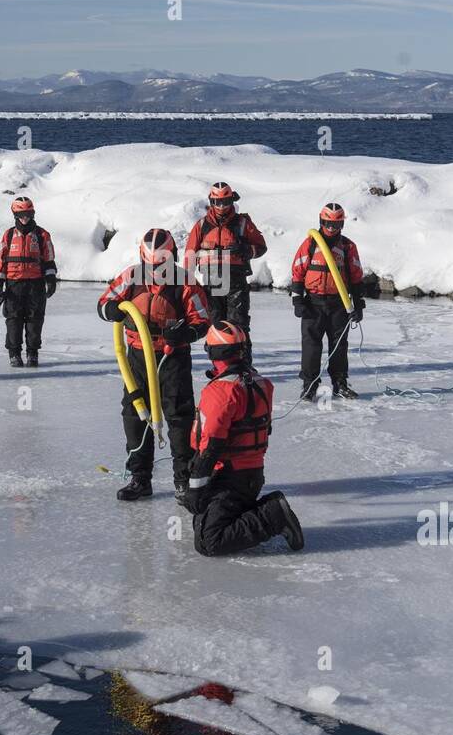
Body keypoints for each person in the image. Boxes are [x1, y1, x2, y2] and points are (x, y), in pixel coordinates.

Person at [98, 228, 210, 503]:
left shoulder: (184, 282)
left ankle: (183, 481)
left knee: (179, 419)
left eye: (160, 265)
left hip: (173, 359)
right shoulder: (130, 277)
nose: (155, 271)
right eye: (150, 265)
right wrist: (112, 310)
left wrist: (186, 333)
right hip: (137, 358)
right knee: (135, 416)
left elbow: (203, 320)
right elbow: (104, 302)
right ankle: (140, 479)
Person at [186, 322, 303, 555]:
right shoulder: (260, 383)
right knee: (200, 523)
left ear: (214, 352)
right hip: (251, 475)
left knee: (209, 542)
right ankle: (261, 510)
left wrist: (196, 487)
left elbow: (211, 447)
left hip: (229, 477)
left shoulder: (221, 392)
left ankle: (273, 514)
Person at [290, 202, 365, 400]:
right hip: (313, 304)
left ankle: (339, 383)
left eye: (336, 224)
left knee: (339, 346)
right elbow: (297, 273)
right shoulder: (311, 244)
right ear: (321, 222)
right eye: (327, 223)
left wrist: (358, 305)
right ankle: (309, 385)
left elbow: (356, 277)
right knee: (311, 346)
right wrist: (297, 301)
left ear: (342, 225)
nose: (331, 228)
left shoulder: (348, 247)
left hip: (339, 304)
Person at [183, 182, 266, 355]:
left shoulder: (243, 223)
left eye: (225, 202)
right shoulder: (201, 225)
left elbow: (261, 246)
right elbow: (189, 254)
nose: (222, 206)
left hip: (236, 284)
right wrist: (188, 283)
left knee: (238, 326)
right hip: (211, 285)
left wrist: (246, 250)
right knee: (215, 327)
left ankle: (243, 365)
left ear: (231, 200)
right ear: (211, 202)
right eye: (217, 202)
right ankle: (218, 366)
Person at [0, 197, 57, 367]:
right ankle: (14, 354)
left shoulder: (42, 235)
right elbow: (0, 258)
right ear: (15, 214)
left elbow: (49, 259)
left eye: (28, 214)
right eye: (21, 214)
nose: (25, 217)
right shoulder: (8, 235)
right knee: (14, 321)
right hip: (14, 285)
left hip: (35, 284)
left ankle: (32, 353)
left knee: (35, 321)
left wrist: (50, 279)